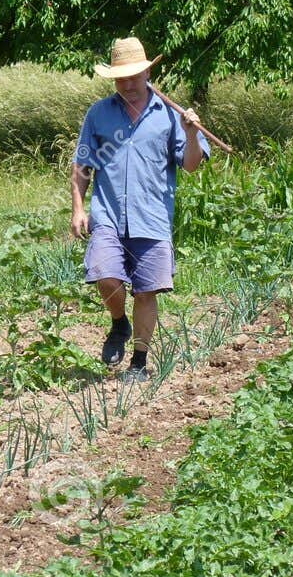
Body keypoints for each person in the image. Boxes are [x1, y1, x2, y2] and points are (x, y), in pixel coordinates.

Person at [71, 37, 210, 381]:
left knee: (147, 292)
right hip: (107, 215)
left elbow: (191, 165)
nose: (129, 85)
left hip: (153, 218)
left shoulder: (171, 116)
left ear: (148, 72)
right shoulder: (100, 114)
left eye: (135, 77)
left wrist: (191, 134)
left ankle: (139, 363)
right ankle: (119, 322)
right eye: (121, 79)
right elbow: (83, 166)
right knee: (105, 275)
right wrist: (77, 208)